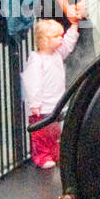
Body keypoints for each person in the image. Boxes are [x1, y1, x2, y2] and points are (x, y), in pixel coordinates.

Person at [22, 19, 79, 168]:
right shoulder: (37, 60)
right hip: (41, 106)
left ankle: (53, 152)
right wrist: (35, 103)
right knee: (40, 133)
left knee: (53, 132)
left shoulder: (57, 54)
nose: (61, 38)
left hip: (55, 103)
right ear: (44, 40)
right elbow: (32, 83)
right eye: (56, 36)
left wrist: (73, 28)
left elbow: (68, 45)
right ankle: (42, 156)